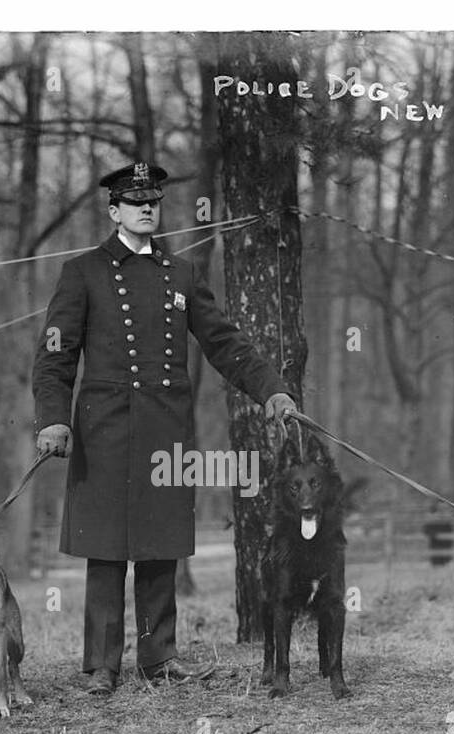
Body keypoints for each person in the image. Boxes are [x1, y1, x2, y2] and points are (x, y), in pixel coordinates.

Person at [32, 162, 298, 695]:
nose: (147, 208)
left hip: (165, 430)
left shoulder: (182, 274)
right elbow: (55, 356)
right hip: (103, 431)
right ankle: (102, 665)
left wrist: (272, 389)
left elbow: (224, 342)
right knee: (105, 549)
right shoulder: (81, 272)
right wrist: (54, 419)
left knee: (159, 545)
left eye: (153, 201)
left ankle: (158, 658)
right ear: (114, 212)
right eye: (135, 202)